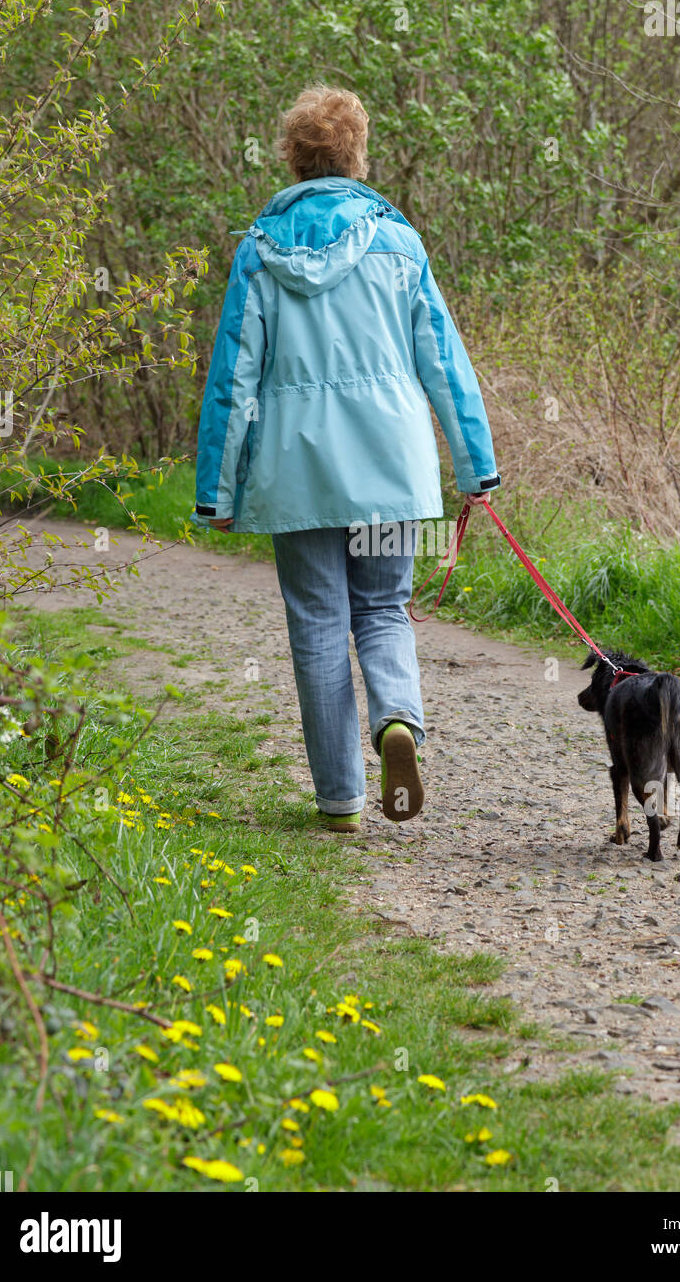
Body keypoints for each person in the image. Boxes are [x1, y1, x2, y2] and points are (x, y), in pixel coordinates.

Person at [194, 85, 500, 832]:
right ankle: (397, 720)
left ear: (292, 158)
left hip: (296, 474)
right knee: (383, 609)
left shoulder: (260, 252)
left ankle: (340, 799)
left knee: (320, 624)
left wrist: (218, 490)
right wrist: (475, 465)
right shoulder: (399, 243)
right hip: (389, 464)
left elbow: (233, 379)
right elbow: (444, 363)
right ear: (358, 155)